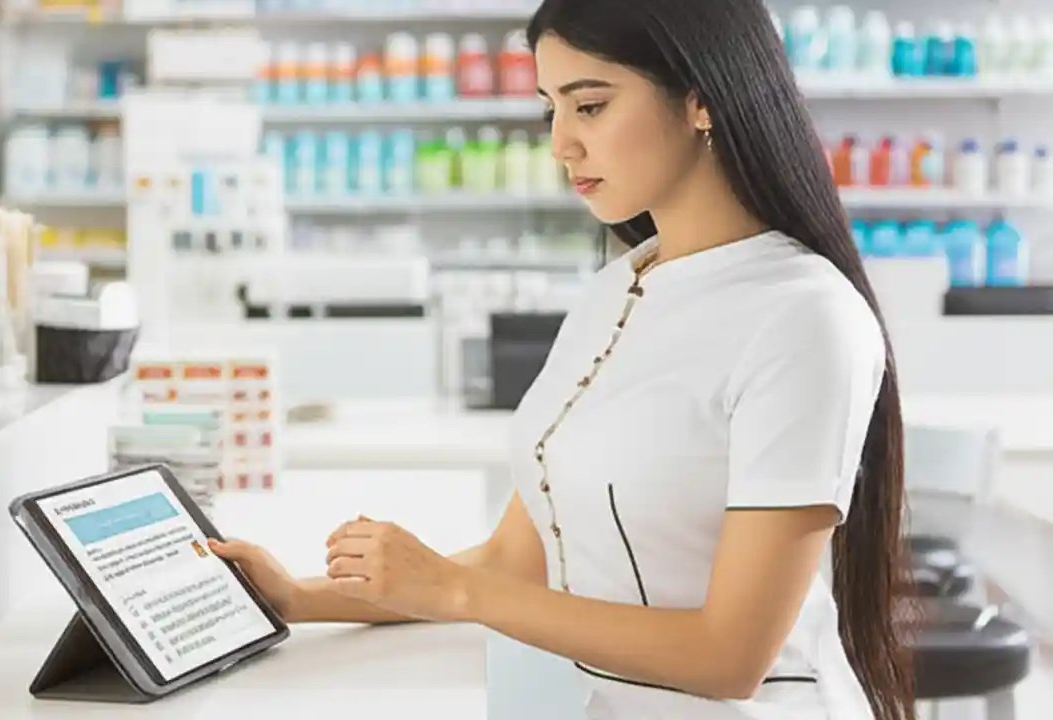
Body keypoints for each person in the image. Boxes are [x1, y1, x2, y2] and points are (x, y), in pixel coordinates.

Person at [209, 0, 915, 717]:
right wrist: (298, 597)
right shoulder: (619, 287)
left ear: (702, 100)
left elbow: (729, 656)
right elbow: (520, 557)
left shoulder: (802, 316)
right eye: (551, 107)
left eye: (591, 106)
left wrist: (452, 589)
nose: (561, 144)